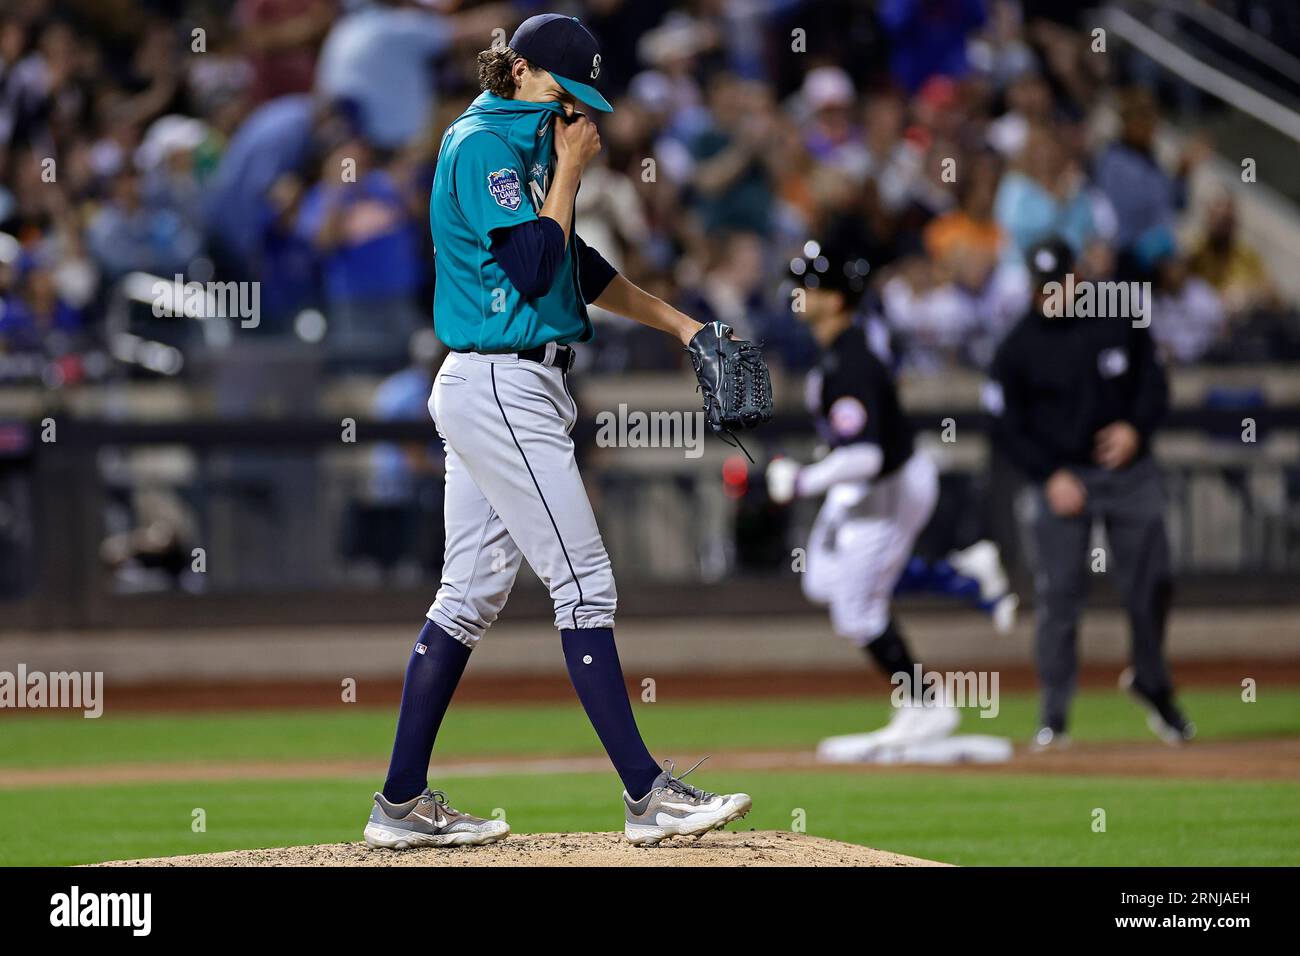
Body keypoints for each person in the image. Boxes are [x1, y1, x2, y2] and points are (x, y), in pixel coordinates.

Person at [363, 14, 752, 851]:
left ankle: (398, 804)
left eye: (582, 98)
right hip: (501, 380)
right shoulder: (480, 143)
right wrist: (570, 170)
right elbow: (536, 265)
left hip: (514, 382)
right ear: (521, 67)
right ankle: (647, 795)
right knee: (586, 584)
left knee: (466, 598)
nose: (574, 111)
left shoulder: (526, 136)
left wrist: (683, 326)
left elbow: (574, 264)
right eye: (562, 90)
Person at [765, 240, 1015, 763]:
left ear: (835, 300)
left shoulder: (849, 360)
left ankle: (926, 702)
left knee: (856, 611)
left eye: (808, 286)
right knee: (823, 580)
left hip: (889, 485)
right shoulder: (843, 347)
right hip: (869, 483)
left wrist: (804, 481)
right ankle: (960, 571)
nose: (797, 293)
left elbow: (867, 456)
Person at [988, 236, 1194, 749]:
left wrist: (1135, 429)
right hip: (1062, 477)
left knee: (1152, 583)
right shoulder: (1017, 346)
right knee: (1059, 597)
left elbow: (1155, 384)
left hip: (1129, 472)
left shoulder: (1118, 317)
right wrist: (1049, 474)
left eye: (1059, 283)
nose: (1051, 296)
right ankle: (1053, 715)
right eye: (1042, 287)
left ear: (1077, 277)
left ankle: (1152, 682)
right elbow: (1007, 427)